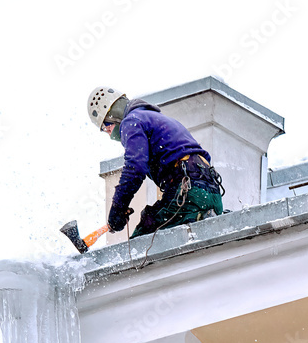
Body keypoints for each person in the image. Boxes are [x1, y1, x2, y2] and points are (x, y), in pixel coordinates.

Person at [87, 86, 224, 238]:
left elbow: (135, 169)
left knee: (141, 242)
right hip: (211, 193)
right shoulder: (154, 118)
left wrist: (118, 208)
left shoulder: (131, 122)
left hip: (189, 193)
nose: (107, 132)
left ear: (115, 114)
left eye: (106, 125)